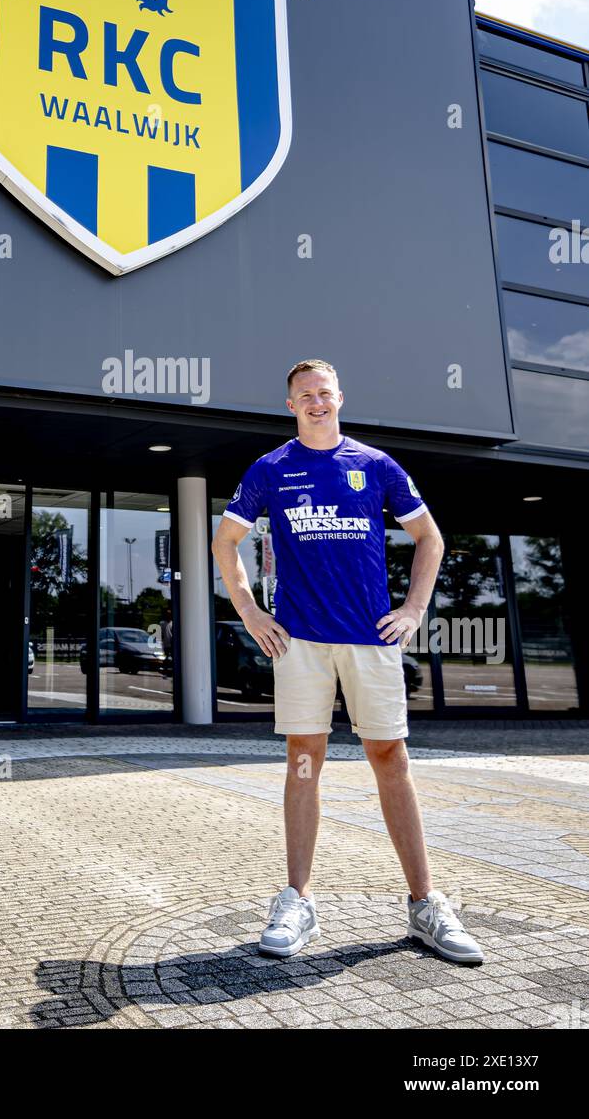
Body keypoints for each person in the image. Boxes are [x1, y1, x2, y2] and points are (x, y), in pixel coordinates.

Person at [211, 358, 484, 966]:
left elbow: (430, 539)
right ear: (290, 405)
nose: (316, 402)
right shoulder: (271, 469)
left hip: (371, 641)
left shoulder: (375, 465)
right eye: (304, 395)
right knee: (304, 758)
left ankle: (425, 905)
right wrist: (252, 613)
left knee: (391, 757)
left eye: (324, 393)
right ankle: (297, 901)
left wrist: (413, 609)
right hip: (301, 641)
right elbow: (225, 543)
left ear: (340, 398)